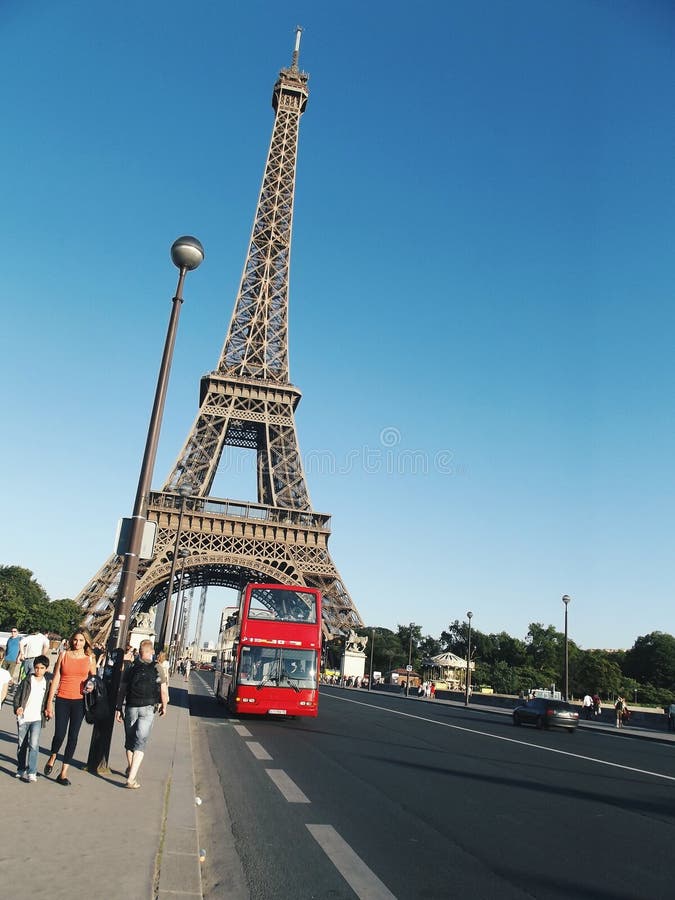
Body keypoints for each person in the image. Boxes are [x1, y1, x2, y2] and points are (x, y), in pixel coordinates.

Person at [44, 630, 97, 785]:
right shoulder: (64, 655)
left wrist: (91, 686)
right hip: (62, 698)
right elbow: (56, 678)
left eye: (81, 640)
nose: (77, 643)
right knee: (60, 734)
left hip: (79, 701)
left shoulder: (90, 658)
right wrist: (49, 702)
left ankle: (63, 772)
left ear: (86, 642)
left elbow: (93, 680)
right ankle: (53, 755)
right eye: (75, 640)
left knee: (73, 736)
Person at [116, 639, 168, 789]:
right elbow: (163, 690)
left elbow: (122, 689)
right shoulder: (157, 667)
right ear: (151, 651)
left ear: (139, 651)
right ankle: (131, 778)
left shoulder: (131, 667)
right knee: (141, 742)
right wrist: (164, 706)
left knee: (130, 740)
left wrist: (118, 707)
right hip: (148, 707)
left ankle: (131, 767)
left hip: (131, 706)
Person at [13, 654, 51, 782]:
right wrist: (17, 707)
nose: (38, 670)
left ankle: (32, 771)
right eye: (36, 667)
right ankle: (21, 768)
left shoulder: (47, 683)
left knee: (34, 744)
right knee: (21, 745)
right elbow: (17, 696)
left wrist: (48, 710)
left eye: (41, 668)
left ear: (46, 669)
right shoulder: (27, 680)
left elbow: (47, 700)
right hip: (23, 717)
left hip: (37, 718)